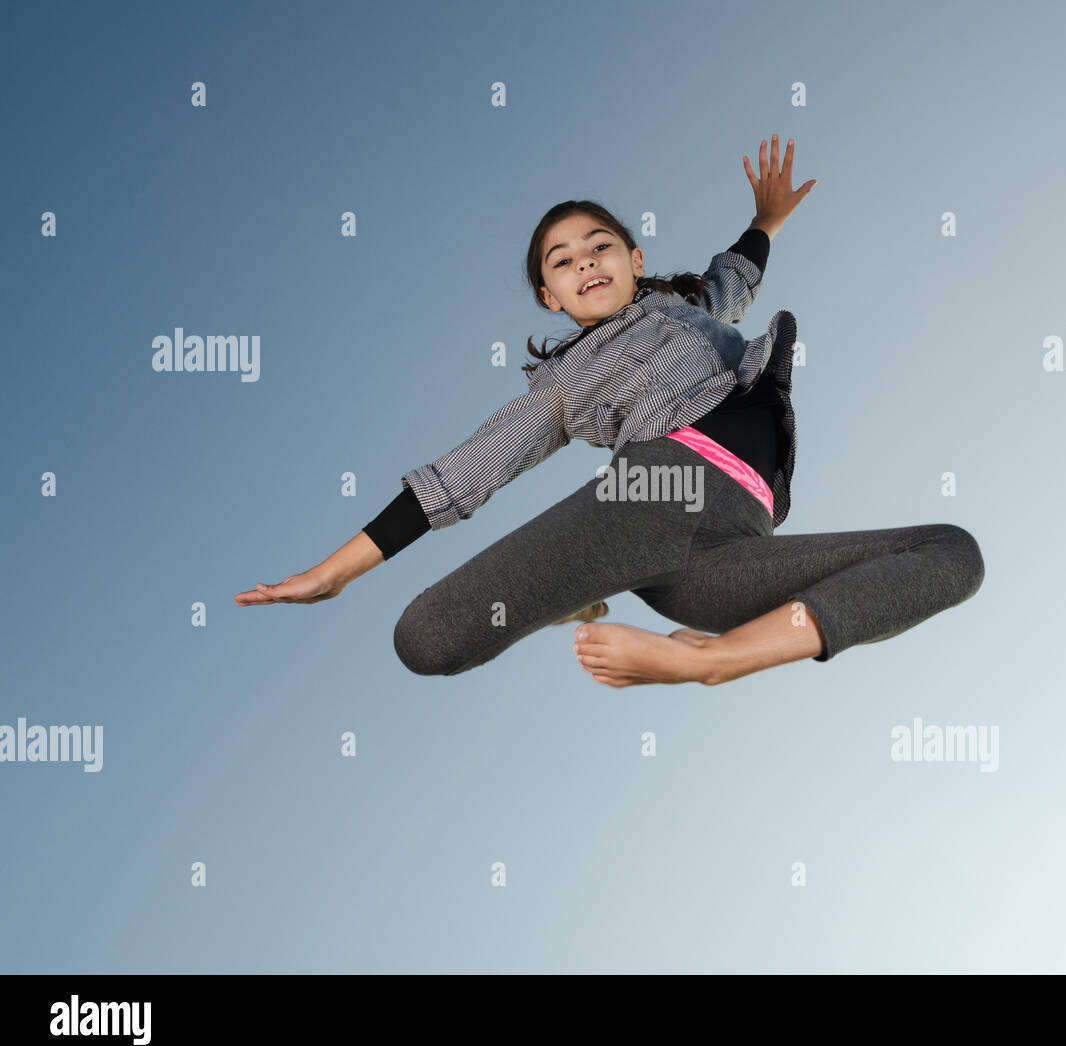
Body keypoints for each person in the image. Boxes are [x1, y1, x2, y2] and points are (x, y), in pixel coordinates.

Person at [235, 135, 985, 687]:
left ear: (633, 257)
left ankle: (716, 656)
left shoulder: (692, 310)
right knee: (425, 639)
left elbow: (737, 272)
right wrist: (331, 573)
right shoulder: (565, 382)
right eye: (562, 262)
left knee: (953, 552)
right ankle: (565, 588)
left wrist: (769, 217)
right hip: (654, 494)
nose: (585, 261)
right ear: (549, 298)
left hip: (723, 553)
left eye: (600, 246)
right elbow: (461, 474)